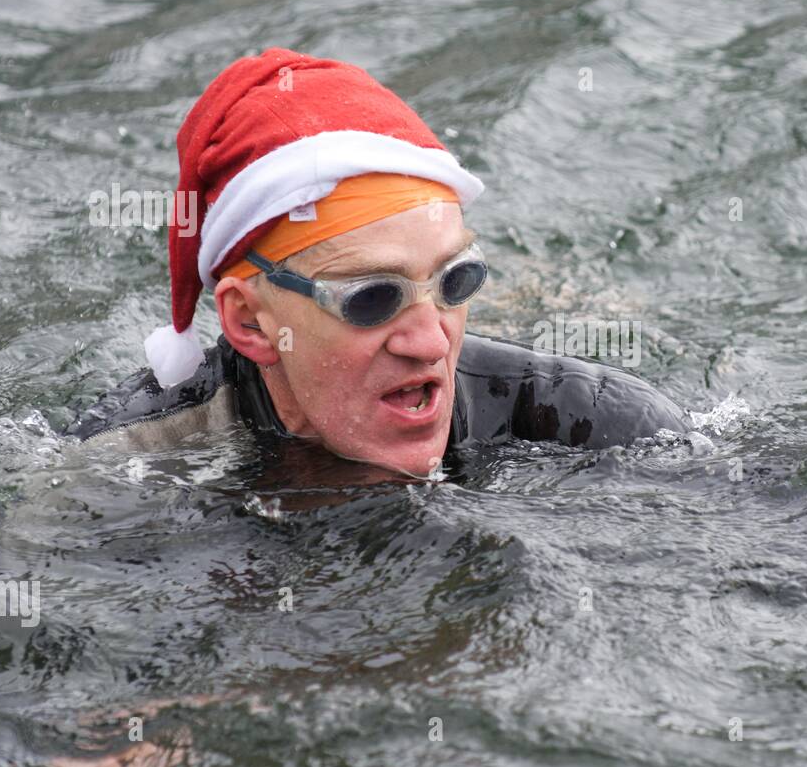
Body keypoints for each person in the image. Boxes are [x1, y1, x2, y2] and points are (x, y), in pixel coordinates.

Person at [64, 49, 689, 476]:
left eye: (457, 279)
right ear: (250, 322)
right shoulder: (129, 455)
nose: (429, 343)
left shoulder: (600, 423)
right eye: (371, 298)